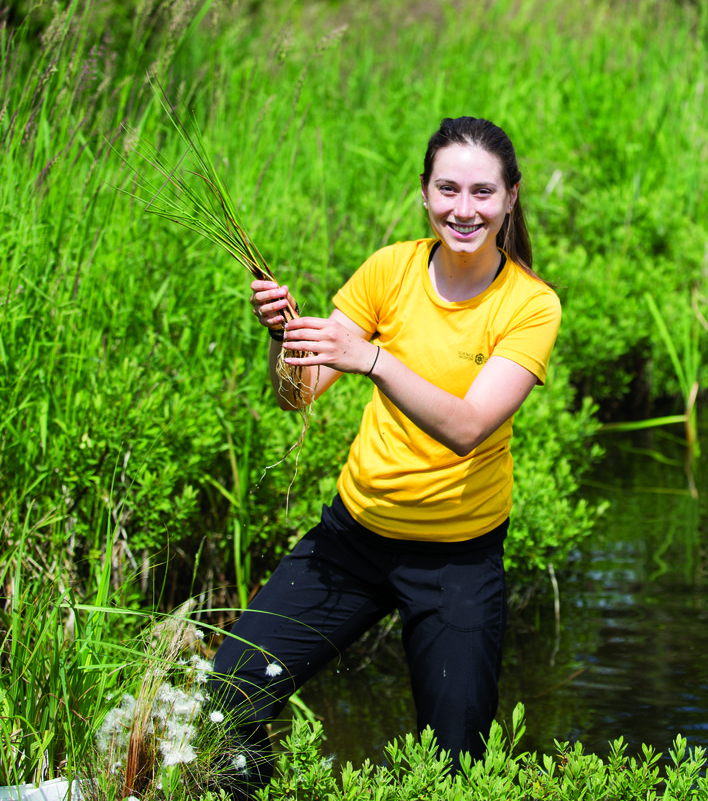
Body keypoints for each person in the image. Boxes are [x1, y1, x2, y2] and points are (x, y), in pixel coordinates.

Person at [210, 116, 561, 792]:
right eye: (449, 189)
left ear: (511, 197)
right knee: (231, 691)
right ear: (425, 193)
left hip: (458, 556)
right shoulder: (391, 268)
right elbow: (299, 393)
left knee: (454, 770)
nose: (465, 209)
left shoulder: (529, 303)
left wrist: (373, 358)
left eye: (483, 193)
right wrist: (283, 336)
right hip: (353, 539)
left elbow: (468, 427)